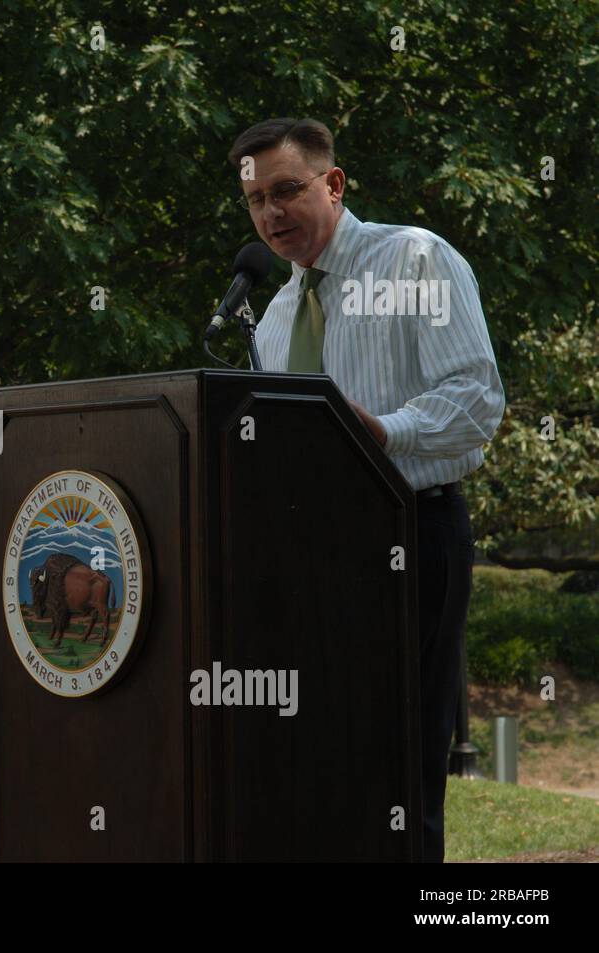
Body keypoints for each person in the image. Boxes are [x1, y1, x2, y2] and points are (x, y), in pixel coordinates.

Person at [228, 117, 505, 862]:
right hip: (311, 555)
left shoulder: (415, 259)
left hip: (412, 536)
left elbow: (477, 401)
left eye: (287, 190)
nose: (271, 214)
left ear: (334, 183)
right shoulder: (276, 313)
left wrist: (381, 430)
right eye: (256, 201)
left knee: (399, 761)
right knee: (327, 757)